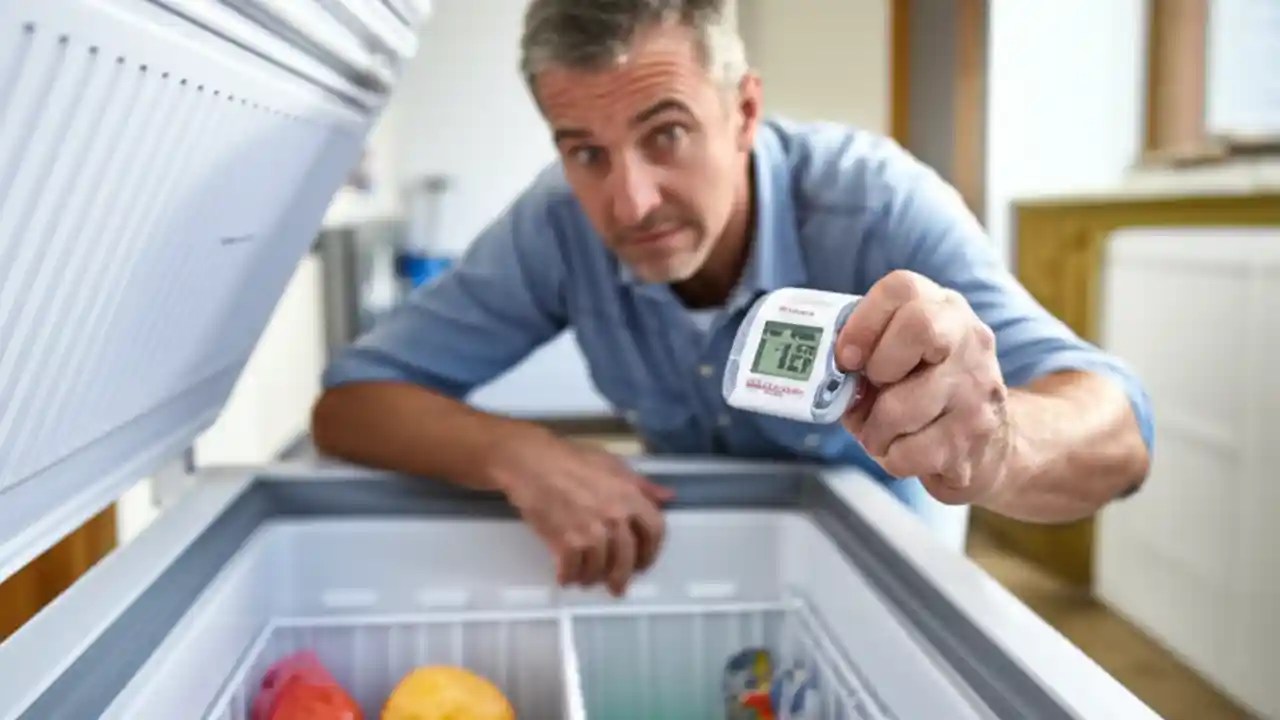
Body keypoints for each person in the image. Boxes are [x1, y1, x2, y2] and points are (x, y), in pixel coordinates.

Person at [312, 0, 1154, 598]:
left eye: (666, 134)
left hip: (887, 587)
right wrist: (516, 453)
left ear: (744, 109)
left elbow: (1118, 437)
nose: (630, 201)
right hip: (698, 572)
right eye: (586, 152)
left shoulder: (876, 204)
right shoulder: (556, 228)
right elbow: (350, 405)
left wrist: (998, 439)